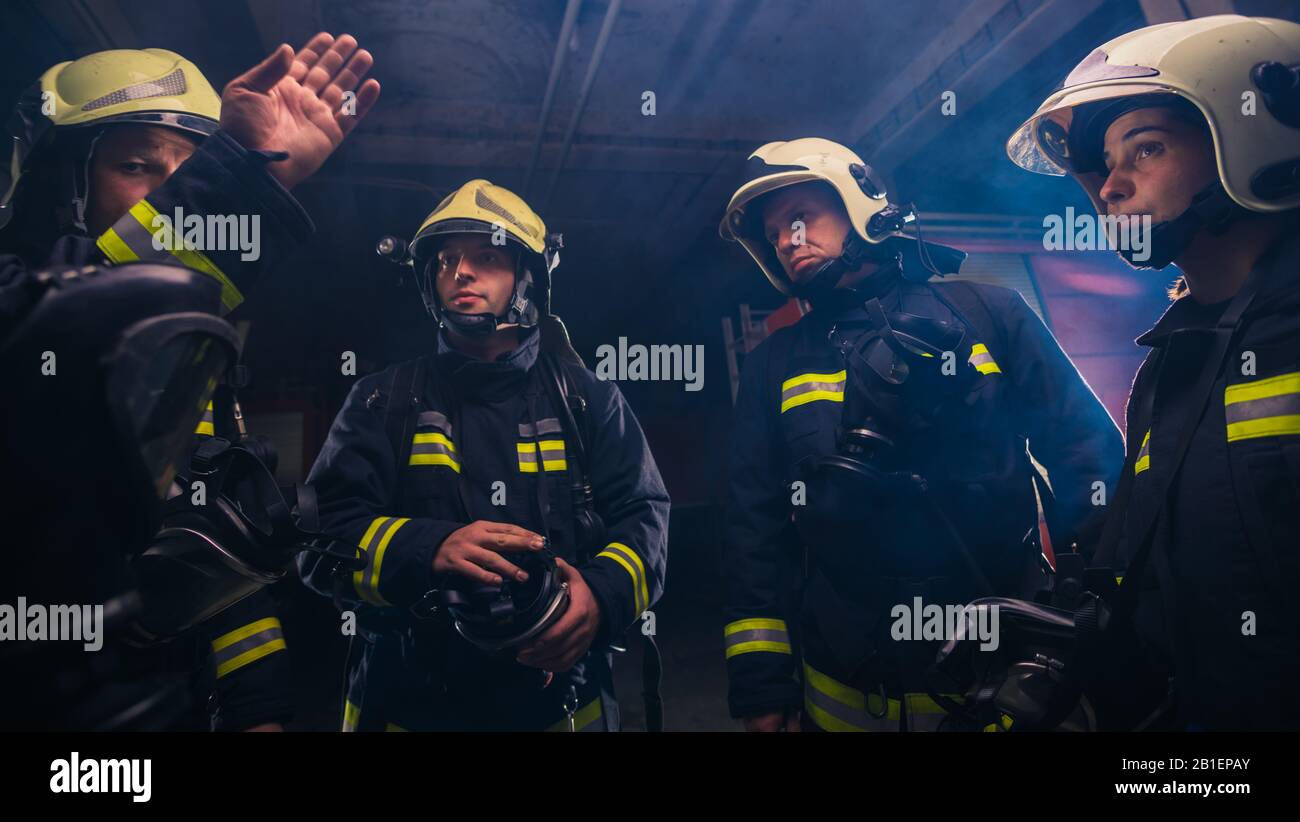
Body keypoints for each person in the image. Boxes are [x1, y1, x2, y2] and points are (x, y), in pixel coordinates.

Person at [0, 34, 379, 730]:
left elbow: (214, 571)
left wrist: (259, 712)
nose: (168, 191)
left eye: (189, 170)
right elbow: (62, 323)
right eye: (139, 165)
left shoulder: (191, 372)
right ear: (58, 184)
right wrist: (235, 181)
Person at [718, 137, 1124, 731]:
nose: (786, 241)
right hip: (848, 688)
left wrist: (1089, 610)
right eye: (775, 232)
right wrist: (760, 686)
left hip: (1002, 666)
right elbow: (754, 530)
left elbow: (1087, 457)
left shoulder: (991, 313)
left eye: (800, 218)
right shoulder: (772, 364)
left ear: (859, 203)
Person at [1006, 13, 1300, 730]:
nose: (1109, 187)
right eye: (1104, 165)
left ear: (1254, 136)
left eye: (1145, 149)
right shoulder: (1171, 366)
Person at [299, 179, 670, 731]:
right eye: (446, 259)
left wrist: (601, 594)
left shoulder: (588, 398)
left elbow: (645, 517)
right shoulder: (383, 399)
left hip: (562, 707)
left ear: (526, 279)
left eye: (487, 257)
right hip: (408, 704)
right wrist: (428, 548)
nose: (461, 272)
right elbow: (317, 541)